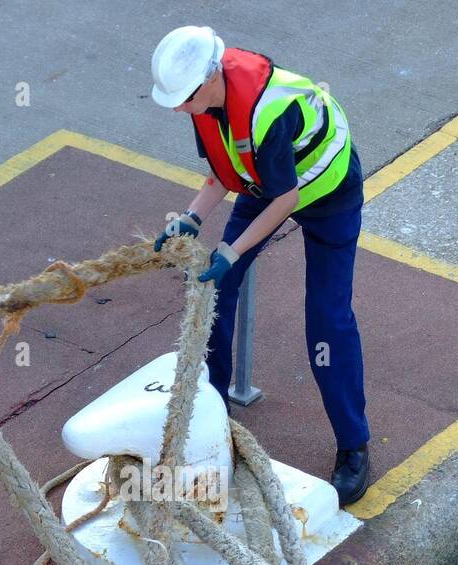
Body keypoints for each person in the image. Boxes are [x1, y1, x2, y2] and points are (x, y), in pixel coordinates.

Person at [150, 26, 372, 505]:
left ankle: (354, 446)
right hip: (262, 185)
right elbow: (223, 172)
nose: (177, 108)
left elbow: (286, 198)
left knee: (327, 321)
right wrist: (190, 218)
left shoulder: (268, 111)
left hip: (327, 193)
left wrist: (231, 252)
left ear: (211, 78)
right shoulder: (204, 101)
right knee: (215, 292)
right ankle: (213, 417)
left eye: (183, 97)